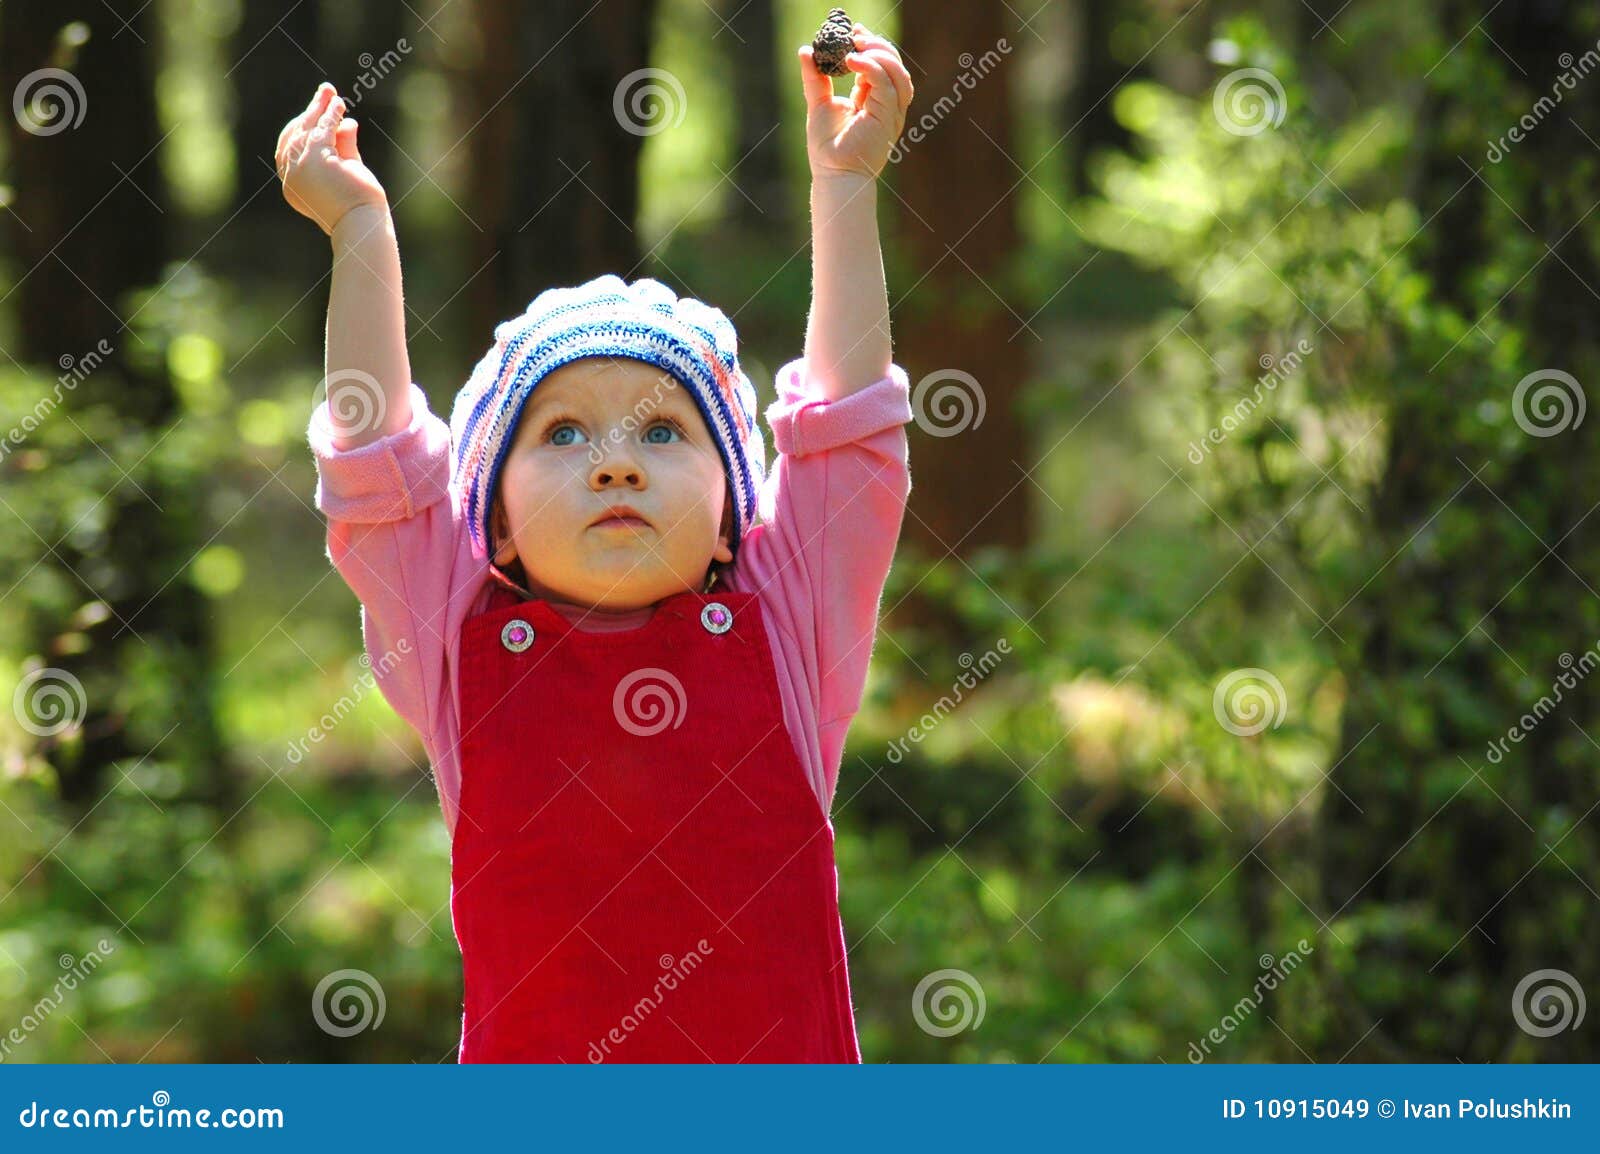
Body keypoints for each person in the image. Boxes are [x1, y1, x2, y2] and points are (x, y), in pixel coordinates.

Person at [276, 21, 915, 1063]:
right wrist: (360, 232)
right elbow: (378, 471)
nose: (615, 462)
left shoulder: (790, 619)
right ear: (491, 519)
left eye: (663, 430)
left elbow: (848, 433)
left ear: (731, 506)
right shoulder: (454, 632)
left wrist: (844, 186)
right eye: (562, 432)